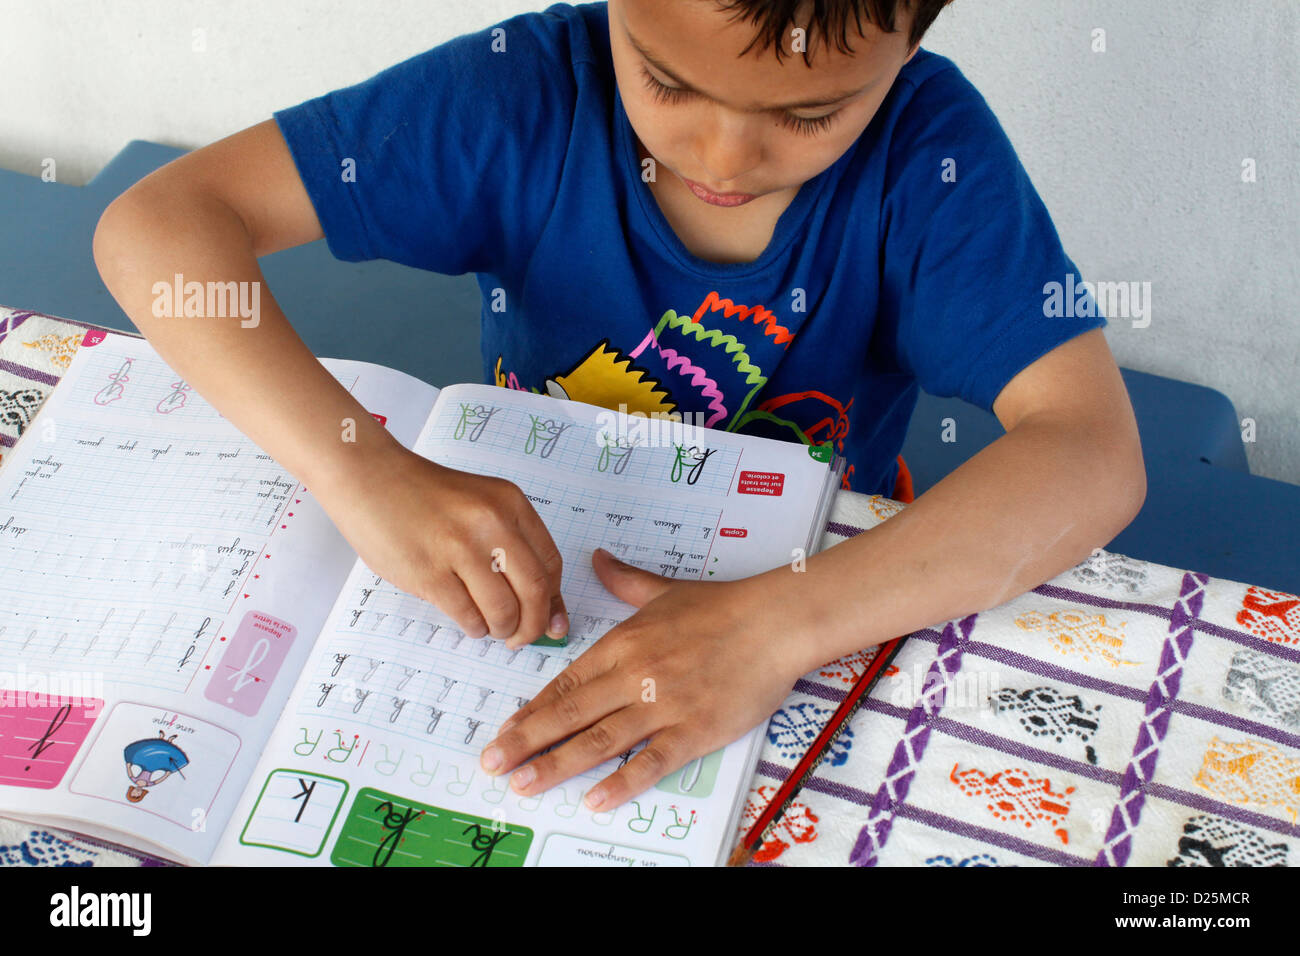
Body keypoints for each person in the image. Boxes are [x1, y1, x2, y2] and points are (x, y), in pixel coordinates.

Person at [92, 0, 1145, 814]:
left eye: (809, 113)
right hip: (537, 573)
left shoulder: (931, 158)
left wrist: (780, 625)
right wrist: (356, 465)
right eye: (667, 81)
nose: (723, 157)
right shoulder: (525, 95)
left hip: (828, 597)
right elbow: (160, 224)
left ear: (909, 40)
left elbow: (1091, 453)